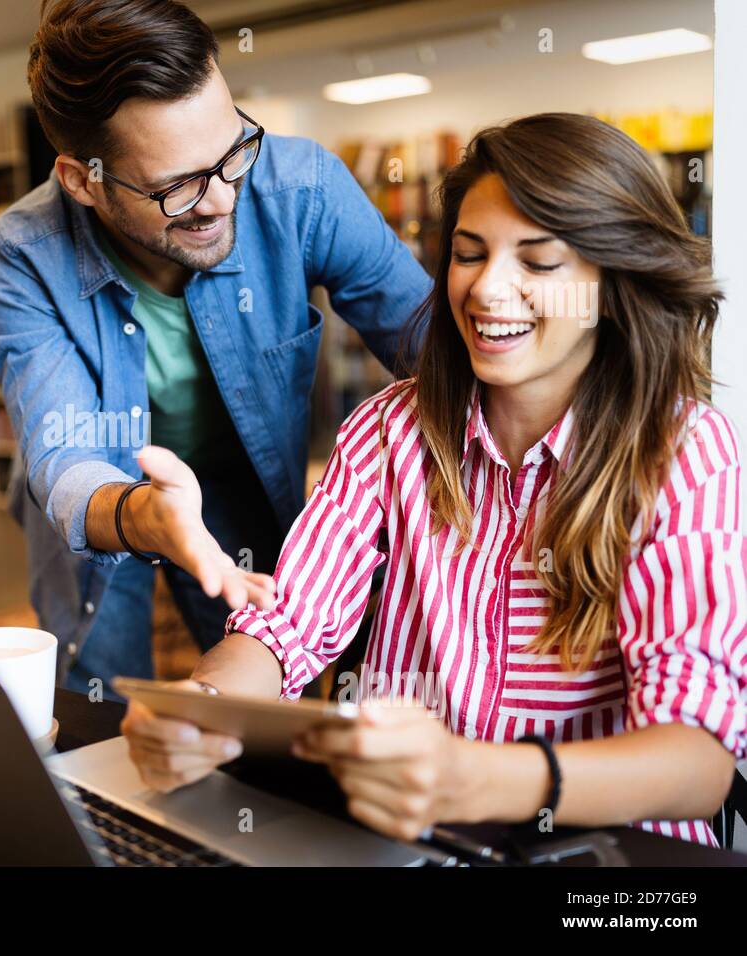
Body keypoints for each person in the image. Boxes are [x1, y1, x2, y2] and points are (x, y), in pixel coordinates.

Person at [122, 112, 746, 847]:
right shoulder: (390, 432)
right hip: (406, 841)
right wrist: (202, 706)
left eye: (538, 264)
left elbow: (698, 757)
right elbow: (285, 625)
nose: (488, 290)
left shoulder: (684, 451)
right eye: (469, 254)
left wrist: (473, 777)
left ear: (612, 285)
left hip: (613, 864)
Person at [0, 0, 430, 694]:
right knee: (92, 700)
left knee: (261, 687)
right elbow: (64, 457)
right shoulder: (24, 252)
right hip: (110, 502)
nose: (222, 200)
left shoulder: (300, 187)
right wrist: (146, 518)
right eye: (177, 186)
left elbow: (432, 345)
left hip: (243, 479)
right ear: (82, 181)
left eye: (231, 153)